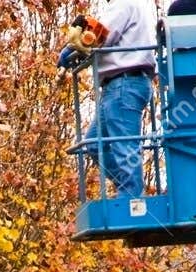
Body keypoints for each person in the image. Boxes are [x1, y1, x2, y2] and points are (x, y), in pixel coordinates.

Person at [61, 1, 156, 199]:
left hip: (124, 83)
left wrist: (72, 46)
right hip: (120, 85)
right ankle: (130, 190)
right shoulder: (133, 5)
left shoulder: (123, 4)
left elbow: (97, 38)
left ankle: (132, 201)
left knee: (125, 147)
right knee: (94, 144)